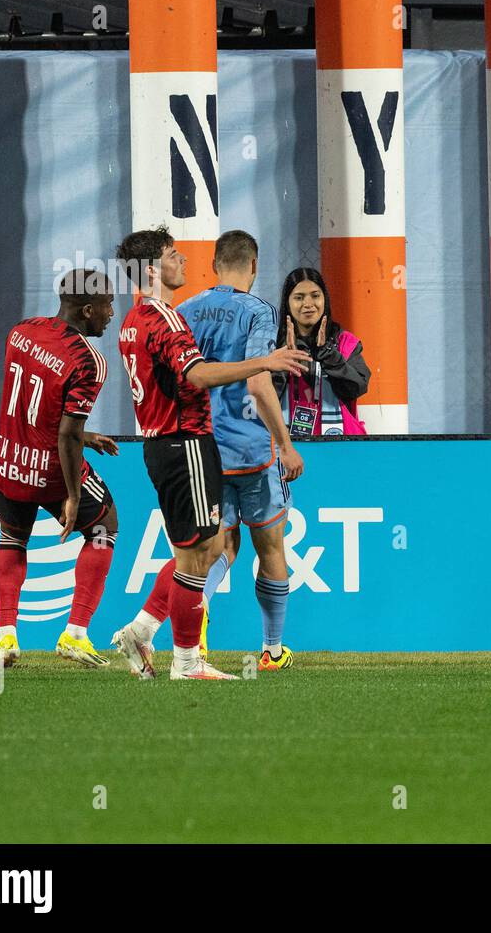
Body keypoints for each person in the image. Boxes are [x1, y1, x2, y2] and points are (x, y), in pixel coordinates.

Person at [109, 227, 307, 681]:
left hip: (168, 443)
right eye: (173, 254)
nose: (183, 260)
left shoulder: (141, 318)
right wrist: (266, 361)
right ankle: (193, 659)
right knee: (205, 554)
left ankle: (144, 631)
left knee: (212, 546)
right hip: (198, 445)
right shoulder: (170, 318)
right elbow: (200, 377)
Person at [182, 231, 304, 671]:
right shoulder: (258, 311)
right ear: (254, 265)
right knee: (270, 547)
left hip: (202, 449)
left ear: (215, 264)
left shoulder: (184, 311)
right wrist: (286, 445)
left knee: (217, 547)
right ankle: (272, 650)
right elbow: (258, 381)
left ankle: (194, 631)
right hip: (253, 450)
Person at [0, 268, 120, 668]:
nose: (111, 313)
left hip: (9, 459)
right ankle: (75, 634)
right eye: (107, 304)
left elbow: (34, 402)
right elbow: (65, 434)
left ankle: (5, 637)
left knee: (13, 538)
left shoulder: (22, 331)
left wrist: (87, 435)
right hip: (50, 471)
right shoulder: (88, 360)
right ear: (85, 309)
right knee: (105, 527)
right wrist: (73, 493)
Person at [274, 267, 371, 437]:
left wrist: (328, 353)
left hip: (339, 445)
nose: (308, 304)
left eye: (315, 295)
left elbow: (357, 388)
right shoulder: (273, 345)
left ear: (324, 299)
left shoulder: (345, 342)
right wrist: (284, 361)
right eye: (299, 297)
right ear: (287, 304)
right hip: (285, 446)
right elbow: (262, 397)